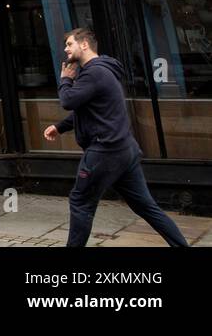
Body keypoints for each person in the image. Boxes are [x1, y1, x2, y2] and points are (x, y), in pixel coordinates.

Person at [45, 27, 188, 247]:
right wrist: (60, 127)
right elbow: (91, 110)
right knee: (145, 206)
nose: (66, 49)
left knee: (81, 202)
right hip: (124, 150)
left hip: (105, 151)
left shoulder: (94, 72)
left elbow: (68, 100)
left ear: (84, 44)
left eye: (70, 44)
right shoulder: (103, 70)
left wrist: (65, 79)